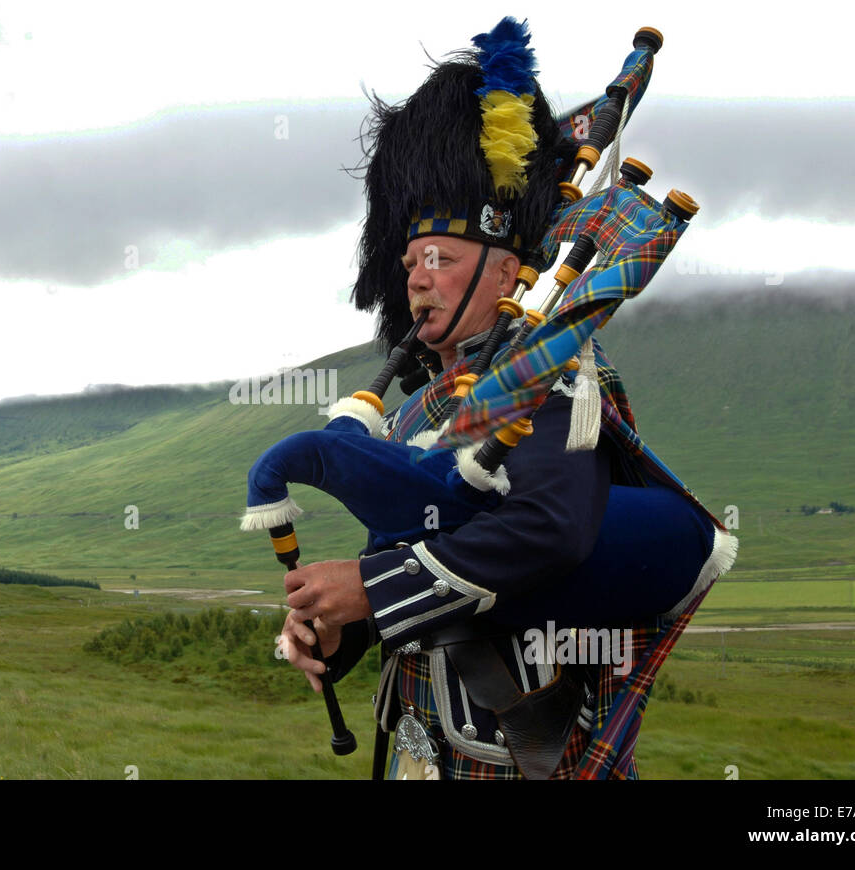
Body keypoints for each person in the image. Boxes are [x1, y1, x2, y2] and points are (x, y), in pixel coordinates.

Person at [279, 18, 667, 779]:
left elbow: (552, 529)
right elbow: (398, 557)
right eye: (410, 260)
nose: (416, 277)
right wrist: (336, 636)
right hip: (422, 746)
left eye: (440, 258)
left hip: (522, 753)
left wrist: (368, 590)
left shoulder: (560, 374)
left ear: (503, 269)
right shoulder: (415, 410)